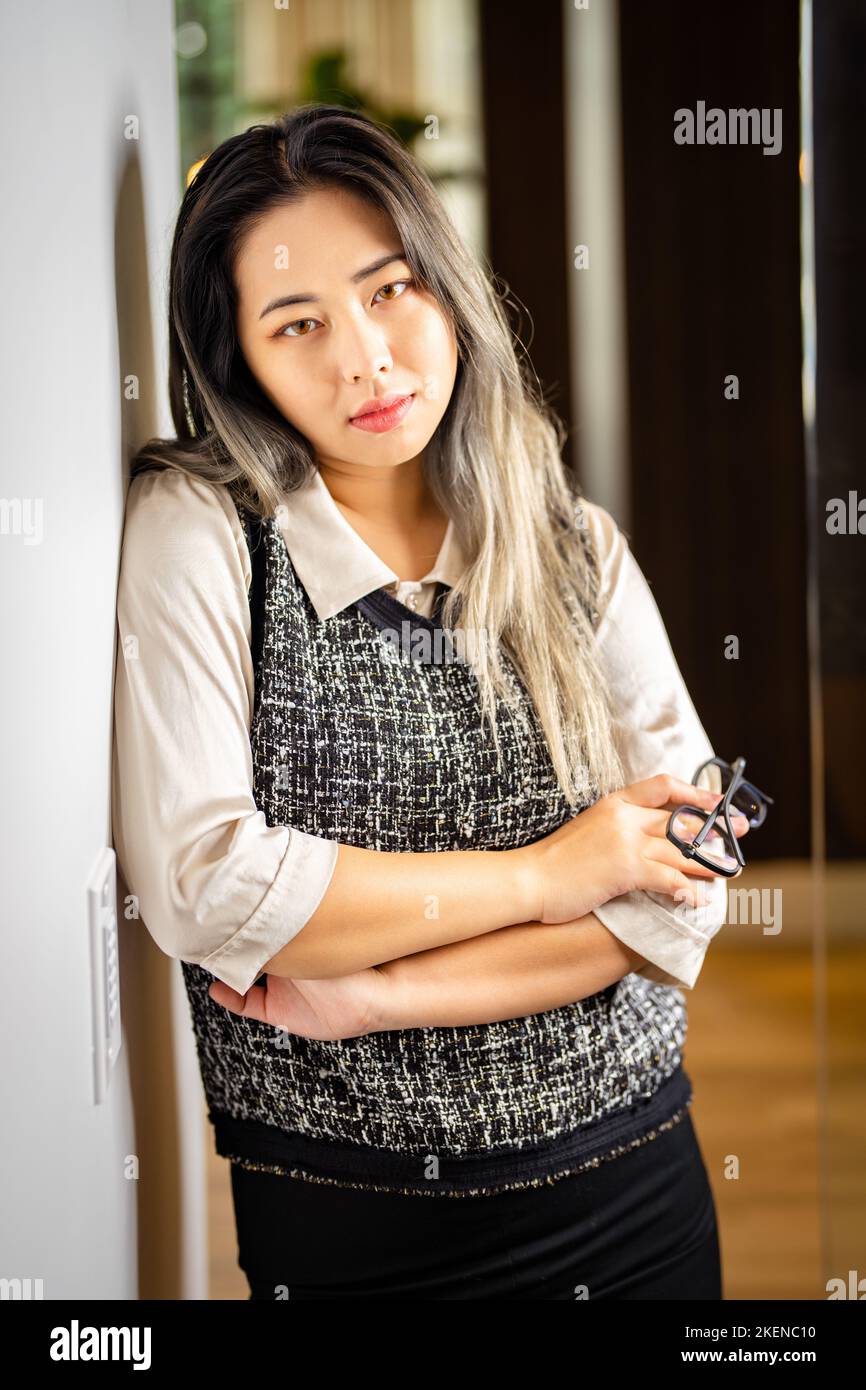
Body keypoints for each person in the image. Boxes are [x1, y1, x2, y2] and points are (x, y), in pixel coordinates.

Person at [111, 104, 748, 1301]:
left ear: (446, 289)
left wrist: (377, 994)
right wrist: (553, 876)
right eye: (296, 323)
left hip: (634, 1182)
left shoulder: (570, 545)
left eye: (389, 290)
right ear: (235, 355)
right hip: (355, 1228)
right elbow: (212, 887)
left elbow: (689, 881)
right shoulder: (203, 532)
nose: (365, 359)